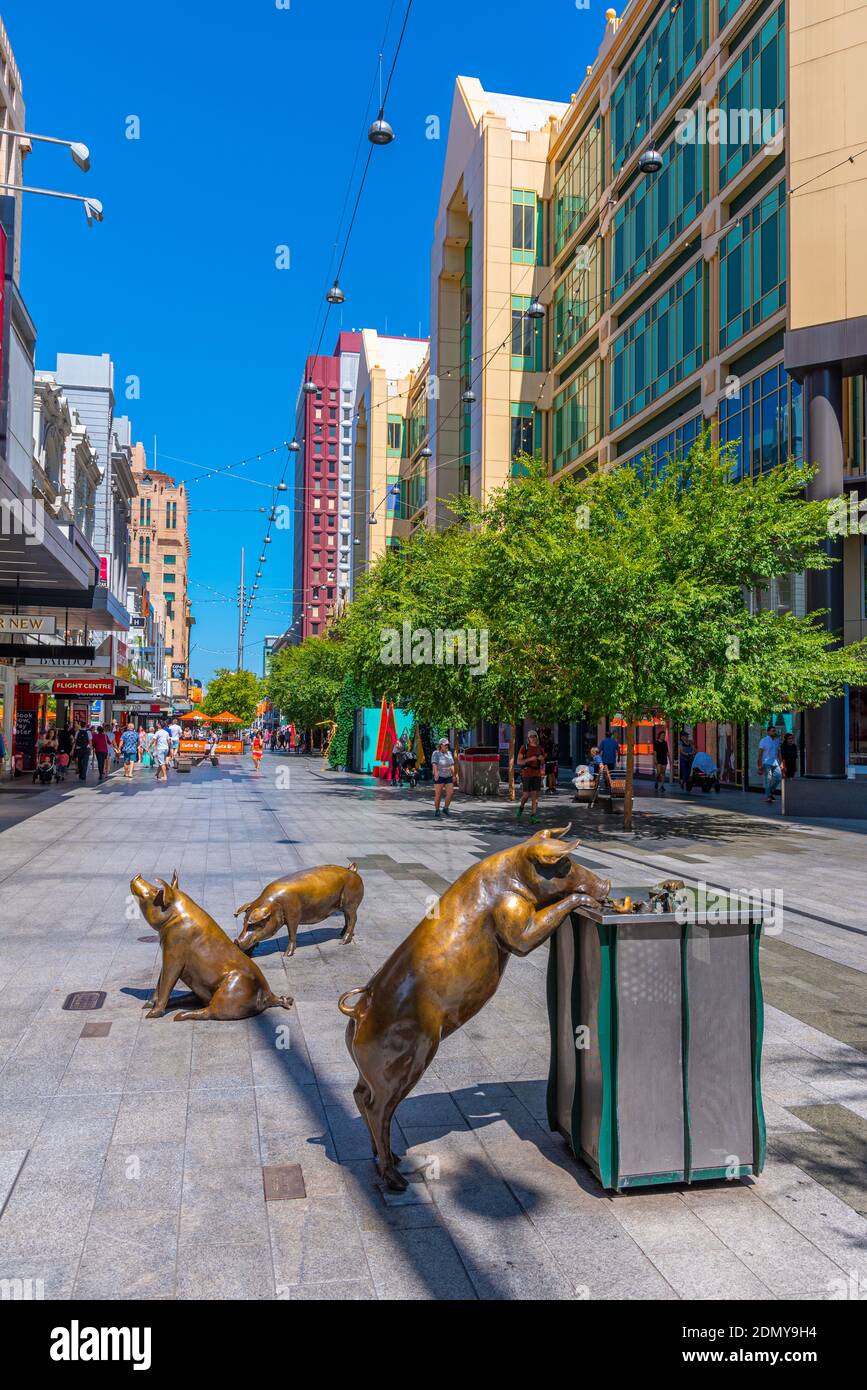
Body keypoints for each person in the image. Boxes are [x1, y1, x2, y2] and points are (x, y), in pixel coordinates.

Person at [516, 730, 545, 824]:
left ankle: (533, 816)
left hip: (537, 774)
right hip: (527, 773)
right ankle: (521, 807)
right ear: (528, 738)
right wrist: (530, 759)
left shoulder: (540, 748)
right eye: (531, 736)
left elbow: (543, 762)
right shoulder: (524, 747)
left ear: (537, 737)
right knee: (525, 795)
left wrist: (542, 760)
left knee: (535, 797)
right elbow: (519, 762)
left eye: (534, 736)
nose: (533, 738)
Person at [757, 725, 782, 804]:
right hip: (766, 762)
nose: (774, 732)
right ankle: (768, 797)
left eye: (775, 731)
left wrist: (781, 763)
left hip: (775, 762)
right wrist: (759, 765)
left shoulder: (777, 740)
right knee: (768, 779)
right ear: (768, 732)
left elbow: (778, 752)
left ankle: (770, 791)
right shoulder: (763, 740)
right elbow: (760, 753)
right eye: (772, 731)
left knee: (779, 777)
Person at [431, 737, 455, 817]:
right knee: (438, 794)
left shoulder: (449, 753)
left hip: (448, 775)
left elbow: (452, 765)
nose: (447, 746)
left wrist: (454, 775)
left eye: (447, 745)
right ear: (441, 745)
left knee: (450, 793)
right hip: (439, 775)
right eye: (445, 745)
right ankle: (437, 810)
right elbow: (434, 764)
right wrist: (435, 773)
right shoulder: (436, 753)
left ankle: (445, 808)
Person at [652, 727, 670, 795]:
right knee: (659, 772)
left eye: (664, 735)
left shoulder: (665, 743)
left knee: (663, 773)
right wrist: (655, 759)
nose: (663, 736)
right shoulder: (656, 742)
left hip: (664, 758)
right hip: (658, 758)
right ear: (659, 736)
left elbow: (667, 752)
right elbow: (655, 752)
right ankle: (656, 781)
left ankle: (662, 786)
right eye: (662, 735)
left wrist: (670, 759)